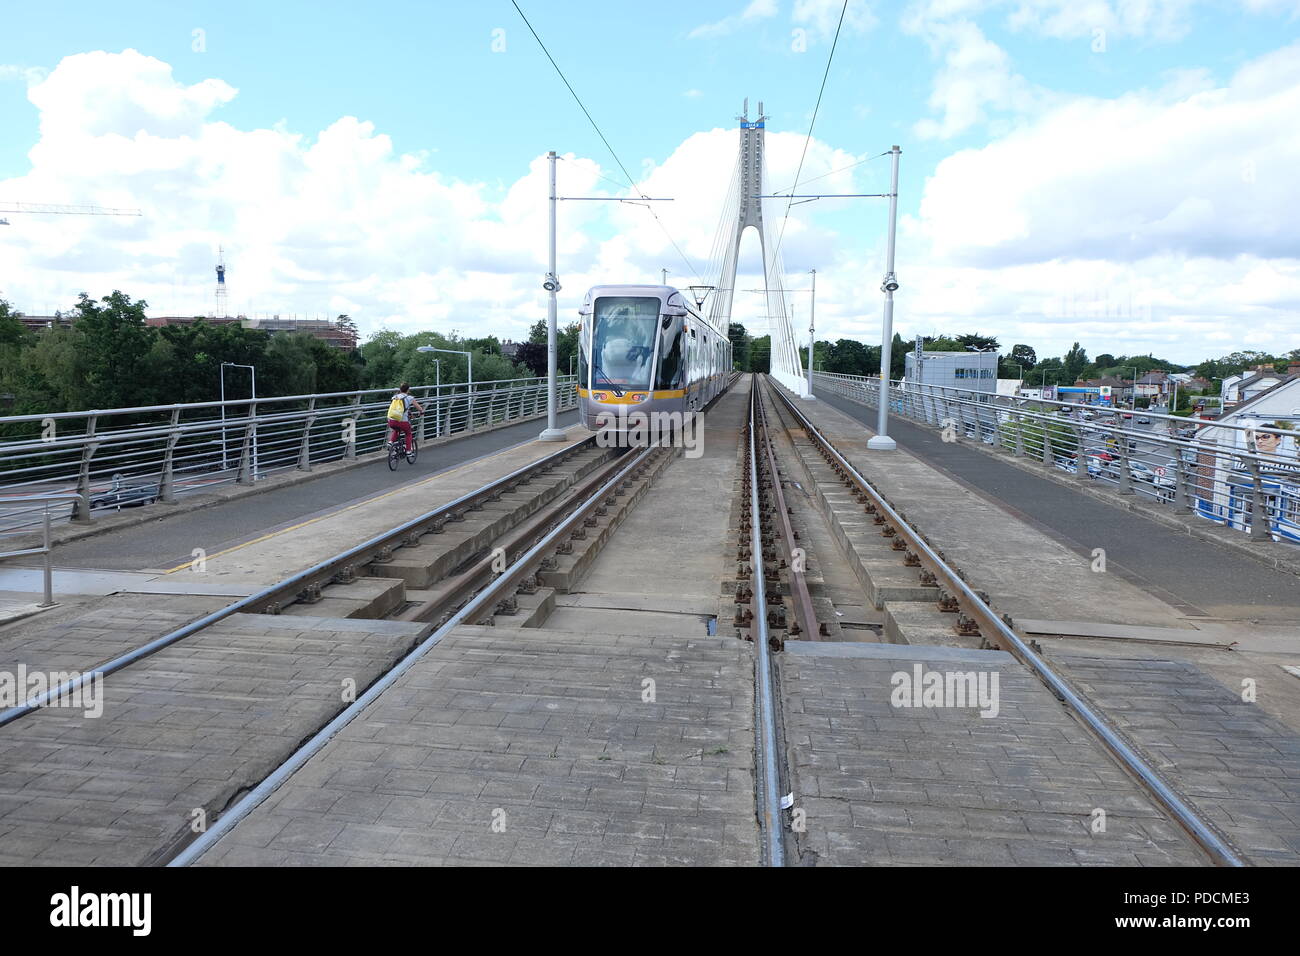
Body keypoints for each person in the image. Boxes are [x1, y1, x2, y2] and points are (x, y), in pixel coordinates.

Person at [386, 383, 424, 452]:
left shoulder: (394, 397)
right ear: (408, 390)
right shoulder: (410, 398)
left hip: (391, 421)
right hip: (402, 422)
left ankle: (391, 442)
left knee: (396, 429)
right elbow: (419, 408)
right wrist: (421, 412)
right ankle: (408, 451)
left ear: (400, 390)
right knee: (408, 433)